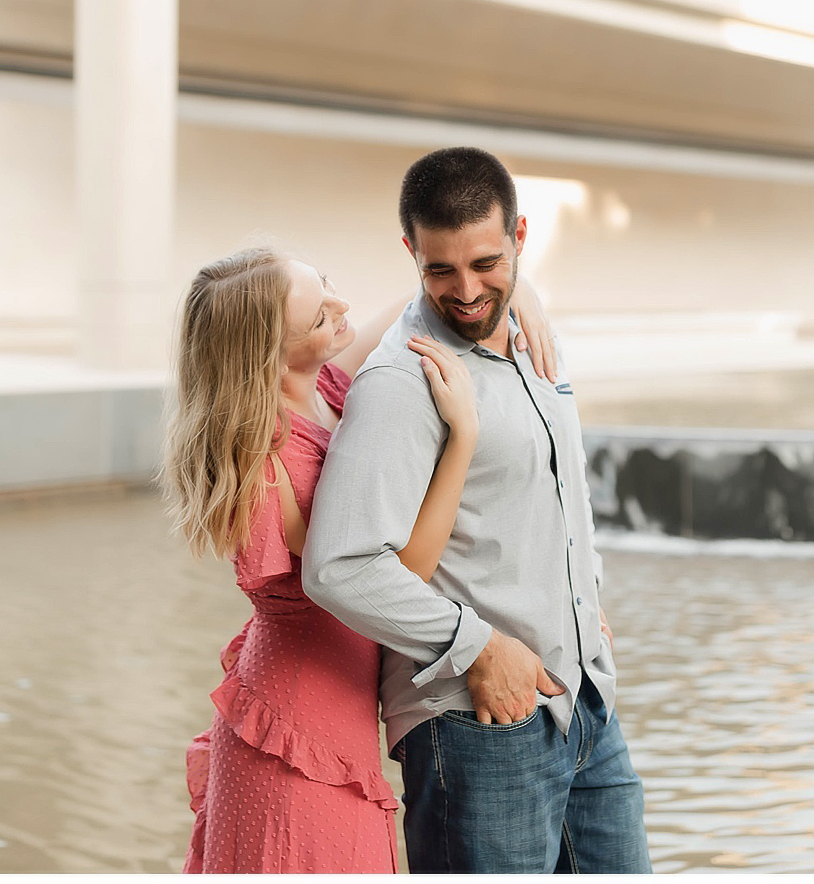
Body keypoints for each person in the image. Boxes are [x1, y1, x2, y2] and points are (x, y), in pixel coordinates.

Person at [304, 147, 651, 873]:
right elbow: (338, 566)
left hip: (585, 697)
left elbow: (560, 483)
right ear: (411, 252)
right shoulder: (402, 382)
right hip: (477, 723)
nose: (466, 290)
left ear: (520, 236)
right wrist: (479, 645)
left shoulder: (532, 336)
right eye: (439, 269)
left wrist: (583, 597)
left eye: (486, 263)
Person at [158, 245, 554, 873]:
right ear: (272, 355)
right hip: (299, 730)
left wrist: (520, 288)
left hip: (339, 705)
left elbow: (414, 304)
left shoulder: (326, 380)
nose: (341, 309)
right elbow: (399, 572)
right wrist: (463, 438)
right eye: (319, 317)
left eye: (330, 287)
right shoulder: (268, 466)